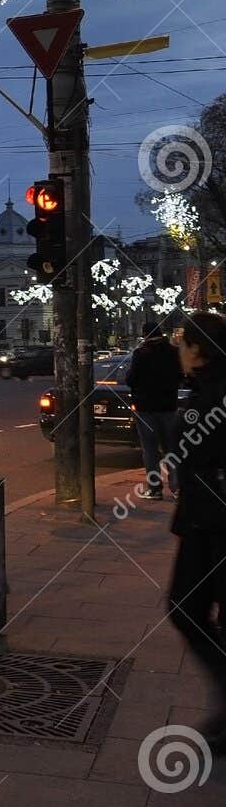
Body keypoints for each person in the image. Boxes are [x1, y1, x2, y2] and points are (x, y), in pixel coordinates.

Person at [168, 312, 226, 741]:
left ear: (199, 349)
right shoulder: (205, 390)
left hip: (211, 522)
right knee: (187, 607)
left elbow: (193, 459)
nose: (180, 351)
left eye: (184, 343)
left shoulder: (209, 397)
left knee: (186, 607)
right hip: (202, 519)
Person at [128, 320, 183, 499]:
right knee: (172, 448)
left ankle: (155, 488)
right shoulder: (173, 352)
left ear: (145, 335)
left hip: (146, 408)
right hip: (168, 406)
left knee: (150, 450)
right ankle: (177, 487)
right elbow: (180, 376)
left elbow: (131, 379)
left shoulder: (141, 354)